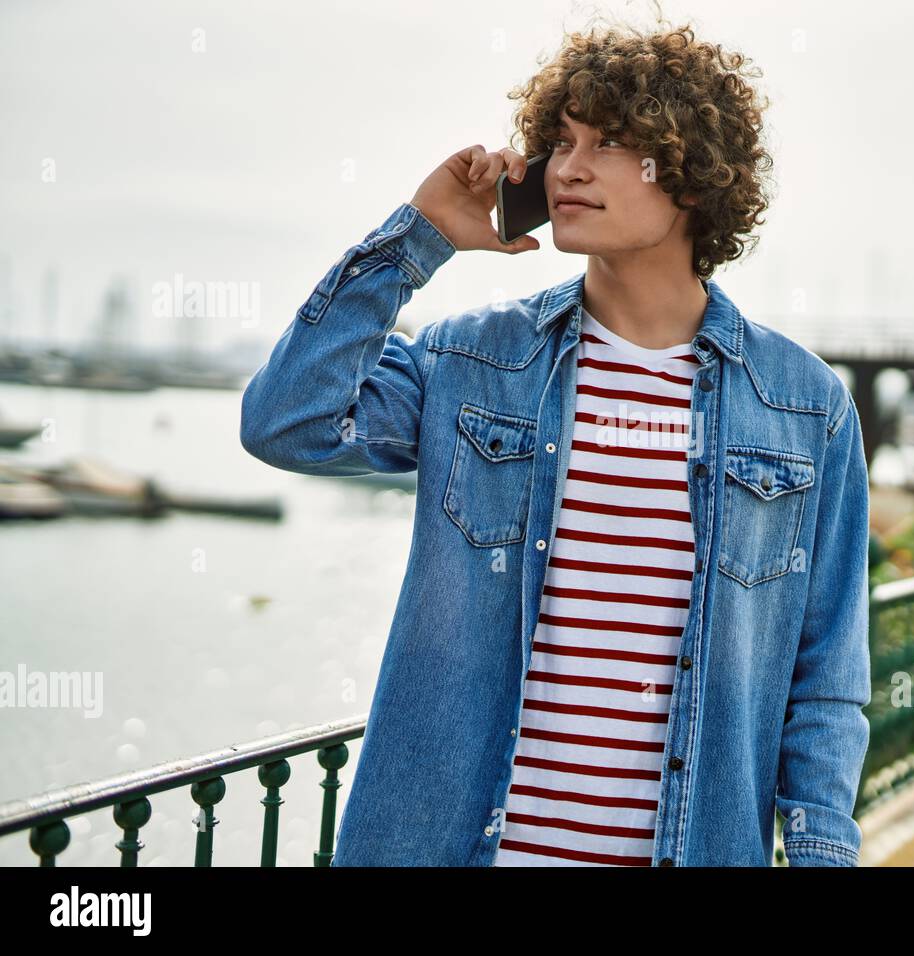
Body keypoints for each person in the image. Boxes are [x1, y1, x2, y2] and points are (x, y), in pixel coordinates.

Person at [240, 10, 872, 867]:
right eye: (561, 141)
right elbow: (287, 422)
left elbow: (826, 680)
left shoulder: (804, 407)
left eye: (608, 142)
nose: (567, 168)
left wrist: (822, 852)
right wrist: (418, 239)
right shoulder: (470, 360)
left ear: (689, 171)